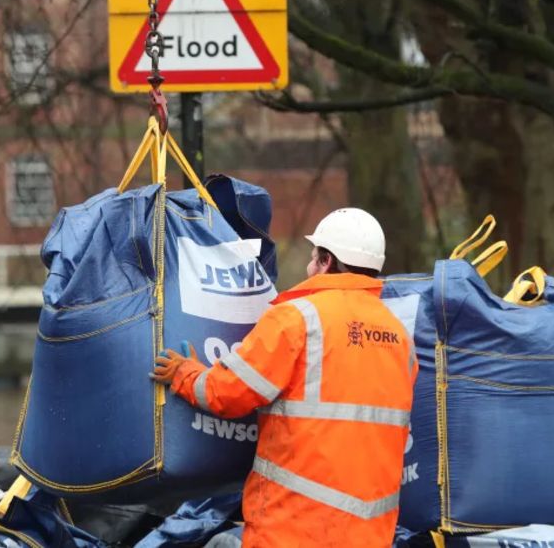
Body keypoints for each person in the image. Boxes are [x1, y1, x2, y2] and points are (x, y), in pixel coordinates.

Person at [151, 208, 417, 547]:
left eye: (313, 257)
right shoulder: (399, 337)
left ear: (325, 260)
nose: (308, 268)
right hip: (370, 537)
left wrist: (184, 373)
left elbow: (228, 393)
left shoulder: (296, 319)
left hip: (293, 528)